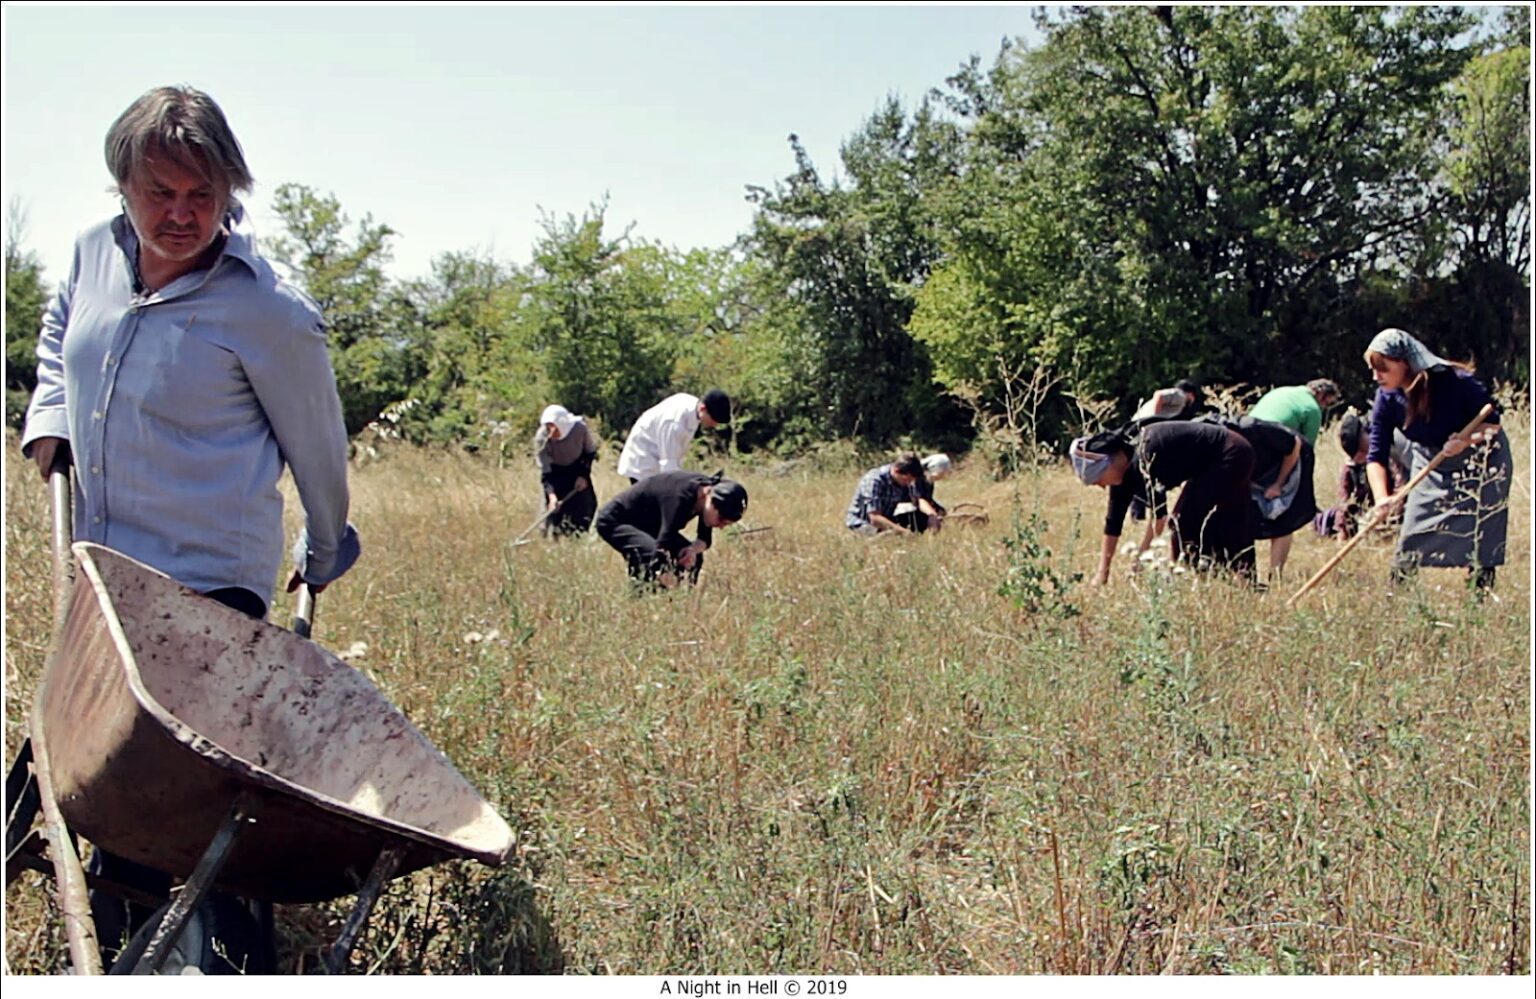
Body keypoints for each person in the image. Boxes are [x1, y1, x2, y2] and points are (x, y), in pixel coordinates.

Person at [19, 85, 359, 970]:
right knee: (91, 756)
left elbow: (319, 446)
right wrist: (49, 411)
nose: (179, 214)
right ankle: (112, 912)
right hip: (104, 570)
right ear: (122, 187)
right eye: (158, 193)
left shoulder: (268, 310)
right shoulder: (95, 253)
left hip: (208, 582)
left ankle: (198, 954)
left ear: (230, 192)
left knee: (170, 783)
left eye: (200, 197)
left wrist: (324, 548)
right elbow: (61, 331)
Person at [1363, 328, 1510, 590]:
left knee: (1481, 533)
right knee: (1412, 535)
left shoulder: (1456, 382)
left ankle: (1480, 597)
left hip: (1483, 462)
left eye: (1382, 368)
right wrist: (1382, 498)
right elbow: (1376, 454)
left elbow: (1493, 425)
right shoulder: (1386, 398)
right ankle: (1396, 599)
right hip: (1431, 461)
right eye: (1373, 369)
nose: (1376, 376)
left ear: (1405, 363)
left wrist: (1466, 440)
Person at [1070, 421, 1257, 584]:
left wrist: (1140, 559)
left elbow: (1159, 517)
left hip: (1232, 452)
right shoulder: (1122, 475)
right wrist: (1102, 574)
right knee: (1226, 519)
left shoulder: (1145, 458)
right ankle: (1239, 579)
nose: (1101, 486)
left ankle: (1189, 579)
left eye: (1097, 479)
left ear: (1109, 463)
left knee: (1184, 521)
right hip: (1216, 459)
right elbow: (1113, 523)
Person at [595, 470, 747, 588]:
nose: (720, 526)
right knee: (651, 556)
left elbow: (704, 540)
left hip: (648, 525)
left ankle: (683, 598)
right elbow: (662, 546)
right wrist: (668, 580)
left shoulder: (706, 495)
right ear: (708, 495)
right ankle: (643, 600)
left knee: (692, 557)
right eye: (721, 520)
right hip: (616, 521)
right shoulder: (680, 497)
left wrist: (692, 551)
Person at [1313, 412, 1408, 540]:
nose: (1363, 458)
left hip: (1393, 510)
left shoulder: (1390, 452)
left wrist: (1392, 510)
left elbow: (1401, 485)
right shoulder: (1350, 468)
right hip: (1368, 515)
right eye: (1359, 456)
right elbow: (1344, 501)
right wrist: (1341, 531)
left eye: (1363, 451)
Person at [616, 389, 731, 483]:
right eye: (714, 420)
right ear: (703, 409)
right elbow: (668, 465)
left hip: (659, 463)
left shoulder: (693, 410)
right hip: (643, 463)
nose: (714, 424)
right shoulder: (674, 422)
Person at [533, 404, 599, 536]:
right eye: (548, 428)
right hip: (555, 473)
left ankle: (579, 538)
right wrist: (552, 497)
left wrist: (583, 476)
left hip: (577, 469)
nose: (551, 433)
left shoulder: (580, 429)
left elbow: (589, 454)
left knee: (586, 506)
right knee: (552, 514)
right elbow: (546, 472)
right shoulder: (541, 438)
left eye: (554, 428)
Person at [845, 453, 925, 536]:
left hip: (887, 520)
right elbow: (875, 518)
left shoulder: (904, 480)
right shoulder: (874, 480)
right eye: (907, 480)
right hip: (863, 524)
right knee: (889, 536)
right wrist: (903, 532)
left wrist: (932, 516)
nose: (909, 484)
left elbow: (918, 500)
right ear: (896, 471)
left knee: (921, 518)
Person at [1248, 378, 1341, 446]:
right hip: (1271, 432)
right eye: (1328, 403)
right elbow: (1307, 448)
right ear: (1321, 394)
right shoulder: (1313, 408)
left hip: (1248, 425)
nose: (1324, 407)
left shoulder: (1282, 390)